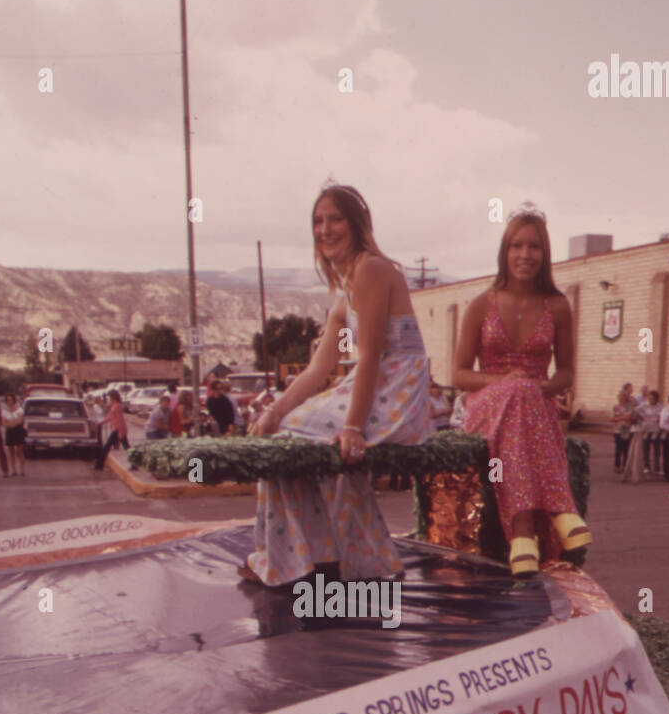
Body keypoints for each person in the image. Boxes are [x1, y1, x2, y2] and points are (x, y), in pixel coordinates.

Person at [243, 182, 435, 586]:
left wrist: (352, 427)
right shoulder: (343, 299)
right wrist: (273, 412)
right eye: (318, 221)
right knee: (284, 432)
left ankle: (302, 558)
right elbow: (316, 371)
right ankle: (319, 555)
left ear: (357, 224)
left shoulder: (372, 269)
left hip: (397, 393)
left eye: (335, 219)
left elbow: (369, 358)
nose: (325, 229)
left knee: (296, 440)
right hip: (376, 386)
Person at [453, 204, 589, 575]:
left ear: (545, 254)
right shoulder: (481, 304)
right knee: (519, 394)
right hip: (487, 405)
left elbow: (565, 373)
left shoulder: (558, 306)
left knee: (524, 395)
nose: (524, 255)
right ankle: (557, 511)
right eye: (516, 246)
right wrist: (503, 382)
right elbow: (459, 374)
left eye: (534, 247)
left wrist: (539, 387)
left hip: (536, 403)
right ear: (504, 251)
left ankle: (523, 536)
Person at [93, 389, 130, 470]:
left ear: (113, 398)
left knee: (107, 447)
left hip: (117, 429)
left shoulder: (117, 406)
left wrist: (121, 431)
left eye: (108, 398)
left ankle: (99, 465)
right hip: (115, 429)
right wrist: (100, 423)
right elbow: (109, 417)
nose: (107, 399)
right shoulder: (113, 406)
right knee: (126, 447)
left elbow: (120, 420)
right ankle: (99, 465)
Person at [1, 393, 27, 475]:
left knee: (20, 451)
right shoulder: (4, 410)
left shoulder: (19, 409)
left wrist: (12, 423)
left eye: (11, 400)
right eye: (8, 400)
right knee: (11, 451)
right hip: (9, 431)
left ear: (14, 400)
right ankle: (14, 470)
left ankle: (22, 469)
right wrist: (10, 424)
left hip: (18, 430)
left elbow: (20, 420)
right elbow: (3, 422)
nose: (10, 402)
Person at [639, 389, 663, 473]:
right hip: (646, 430)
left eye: (652, 398)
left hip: (656, 430)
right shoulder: (644, 405)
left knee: (657, 450)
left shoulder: (660, 406)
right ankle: (646, 466)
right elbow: (637, 412)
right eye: (649, 398)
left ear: (656, 399)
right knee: (646, 449)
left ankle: (657, 467)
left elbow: (661, 417)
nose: (650, 400)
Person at [611, 391, 634, 473]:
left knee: (626, 449)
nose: (620, 398)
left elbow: (631, 418)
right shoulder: (615, 407)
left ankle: (625, 466)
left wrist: (622, 417)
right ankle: (617, 465)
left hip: (627, 431)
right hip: (617, 430)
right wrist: (622, 418)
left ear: (625, 397)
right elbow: (612, 419)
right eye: (619, 396)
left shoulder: (630, 407)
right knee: (618, 449)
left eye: (622, 396)